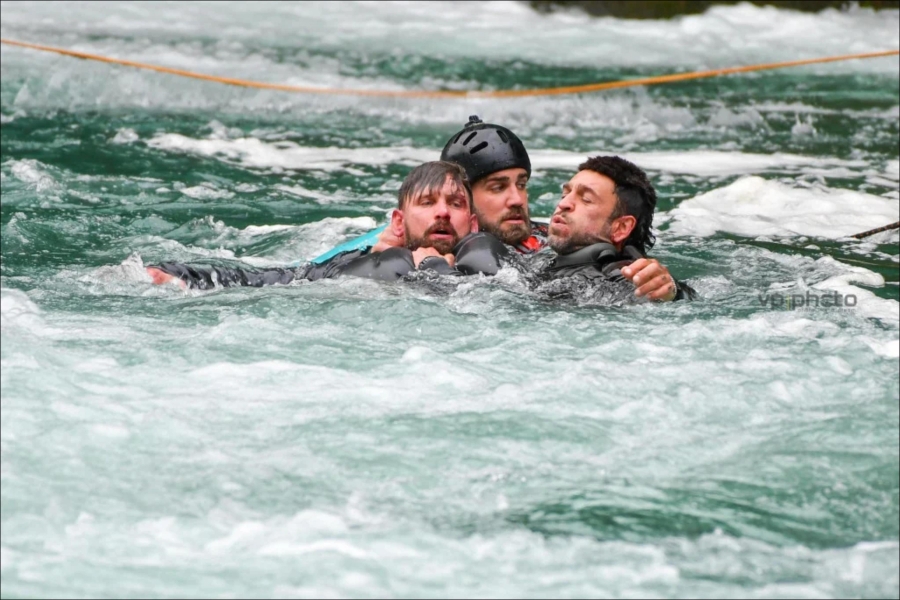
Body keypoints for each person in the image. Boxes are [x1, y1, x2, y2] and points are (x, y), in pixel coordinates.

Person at [375, 115, 687, 301]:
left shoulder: (550, 240)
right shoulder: (402, 240)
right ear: (461, 199)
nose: (517, 200)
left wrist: (672, 290)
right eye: (498, 187)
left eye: (521, 184)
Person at [146, 161, 511, 290]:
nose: (443, 213)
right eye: (428, 203)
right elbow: (274, 280)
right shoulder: (358, 264)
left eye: (456, 203)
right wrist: (184, 274)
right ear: (398, 222)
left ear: (473, 222)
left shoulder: (504, 267)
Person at [534, 155, 696, 301]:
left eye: (586, 199)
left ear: (621, 228)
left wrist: (672, 292)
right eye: (565, 194)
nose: (563, 204)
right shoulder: (539, 258)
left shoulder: (618, 284)